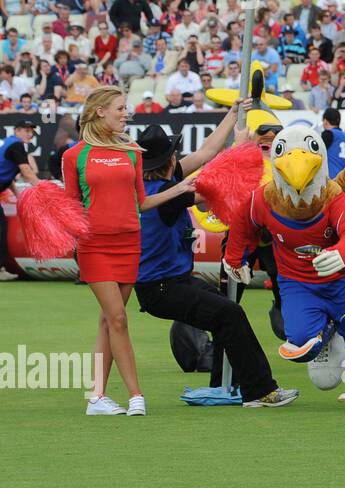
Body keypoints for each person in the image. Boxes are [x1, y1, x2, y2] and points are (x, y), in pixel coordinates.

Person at [133, 115, 298, 408]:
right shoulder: (166, 195)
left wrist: (233, 113)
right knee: (229, 314)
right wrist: (242, 150)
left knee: (226, 312)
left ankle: (225, 386)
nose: (180, 158)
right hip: (161, 288)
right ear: (169, 161)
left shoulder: (162, 182)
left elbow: (206, 153)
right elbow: (214, 187)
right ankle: (261, 391)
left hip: (171, 282)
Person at [66, 86, 197, 416]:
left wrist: (179, 189)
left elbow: (142, 202)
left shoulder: (133, 153)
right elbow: (70, 208)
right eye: (121, 108)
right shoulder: (74, 156)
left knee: (108, 321)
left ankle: (96, 397)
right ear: (100, 112)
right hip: (94, 246)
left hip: (129, 244)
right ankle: (135, 395)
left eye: (126, 109)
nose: (126, 114)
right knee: (119, 319)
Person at [0, 119, 40, 280]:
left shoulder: (9, 144)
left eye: (31, 131)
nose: (29, 134)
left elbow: (7, 177)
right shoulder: (16, 145)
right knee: (1, 228)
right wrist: (42, 189)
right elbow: (26, 170)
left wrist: (18, 196)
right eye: (25, 130)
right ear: (16, 131)